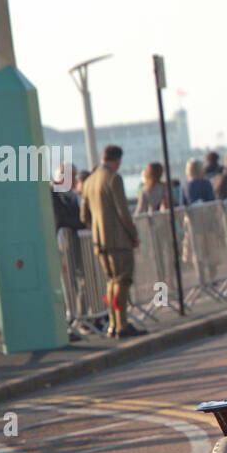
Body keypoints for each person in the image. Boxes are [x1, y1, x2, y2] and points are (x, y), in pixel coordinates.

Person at [80, 144, 146, 339]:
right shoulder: (113, 179)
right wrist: (133, 234)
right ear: (117, 160)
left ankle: (113, 324)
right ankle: (121, 324)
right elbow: (123, 211)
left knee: (111, 281)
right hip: (118, 240)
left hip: (99, 241)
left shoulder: (89, 180)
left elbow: (84, 215)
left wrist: (97, 229)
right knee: (123, 281)